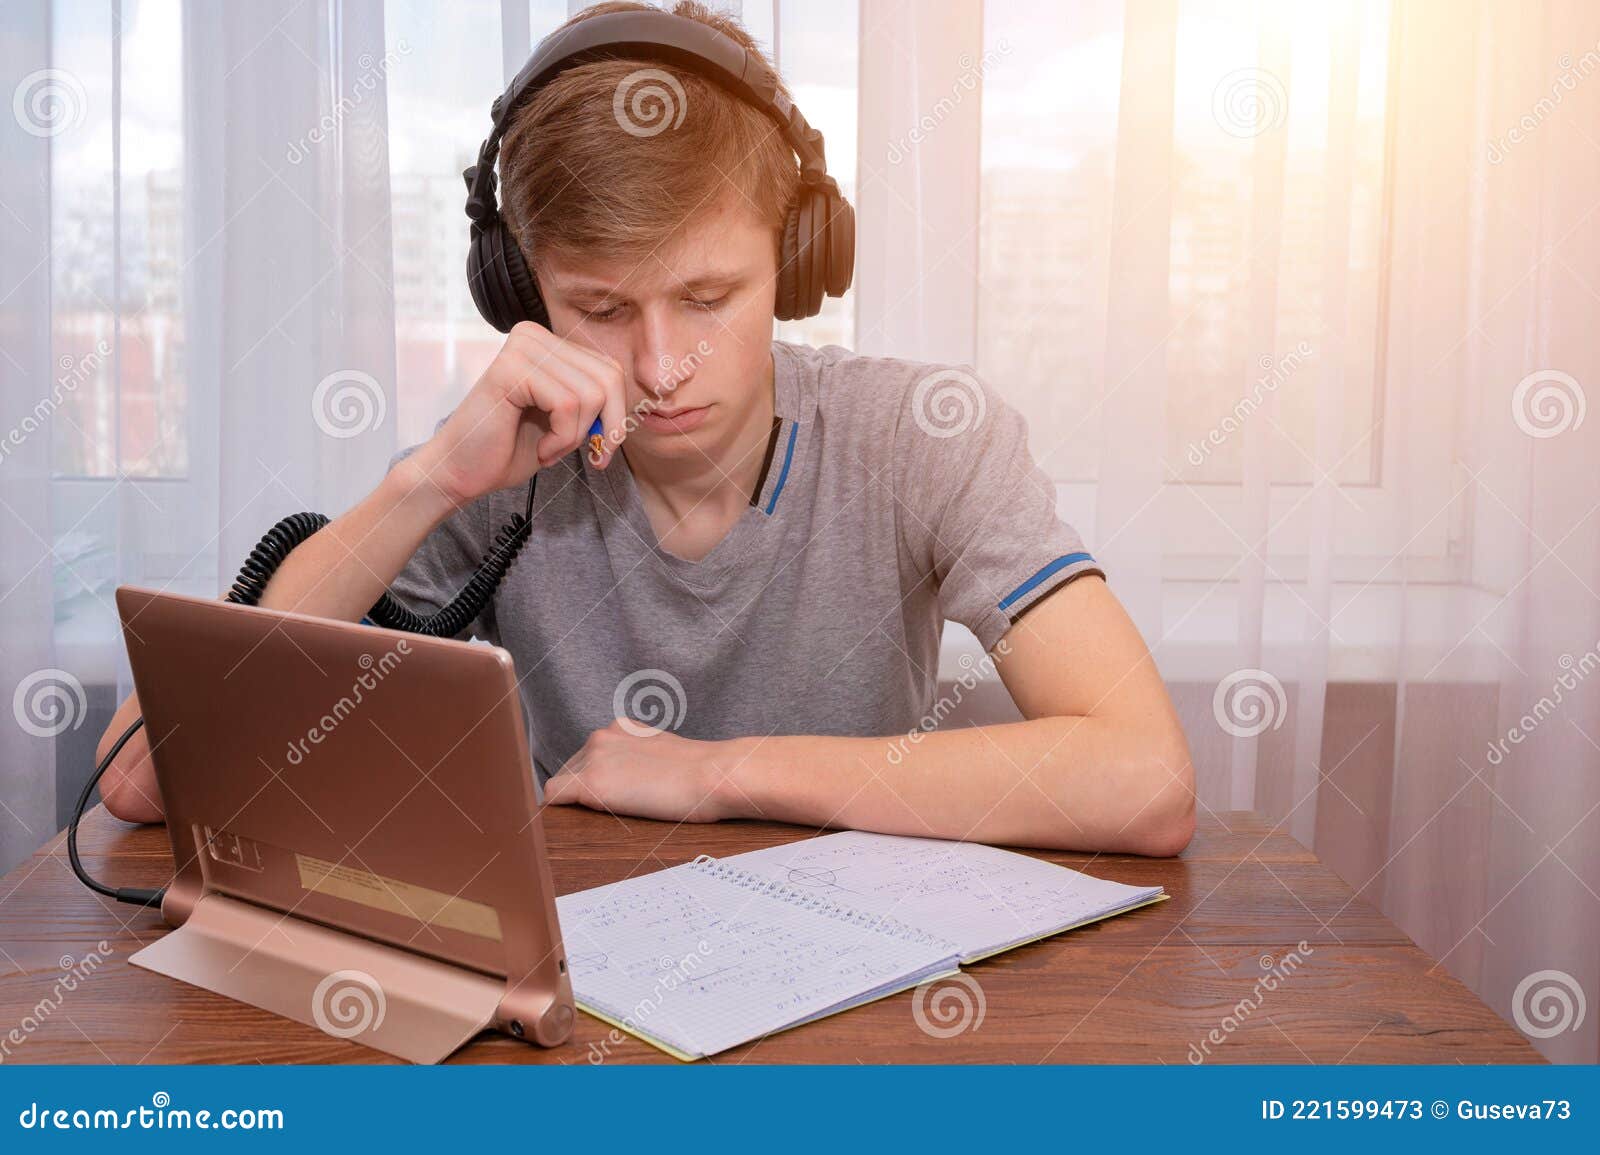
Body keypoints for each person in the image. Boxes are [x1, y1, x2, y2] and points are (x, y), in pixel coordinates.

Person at [97, 0, 1194, 855]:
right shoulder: (507, 466)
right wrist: (428, 481)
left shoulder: (923, 437)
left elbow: (1144, 782)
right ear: (519, 292)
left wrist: (716, 773)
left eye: (710, 298)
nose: (661, 367)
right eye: (602, 309)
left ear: (798, 264)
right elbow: (150, 779)